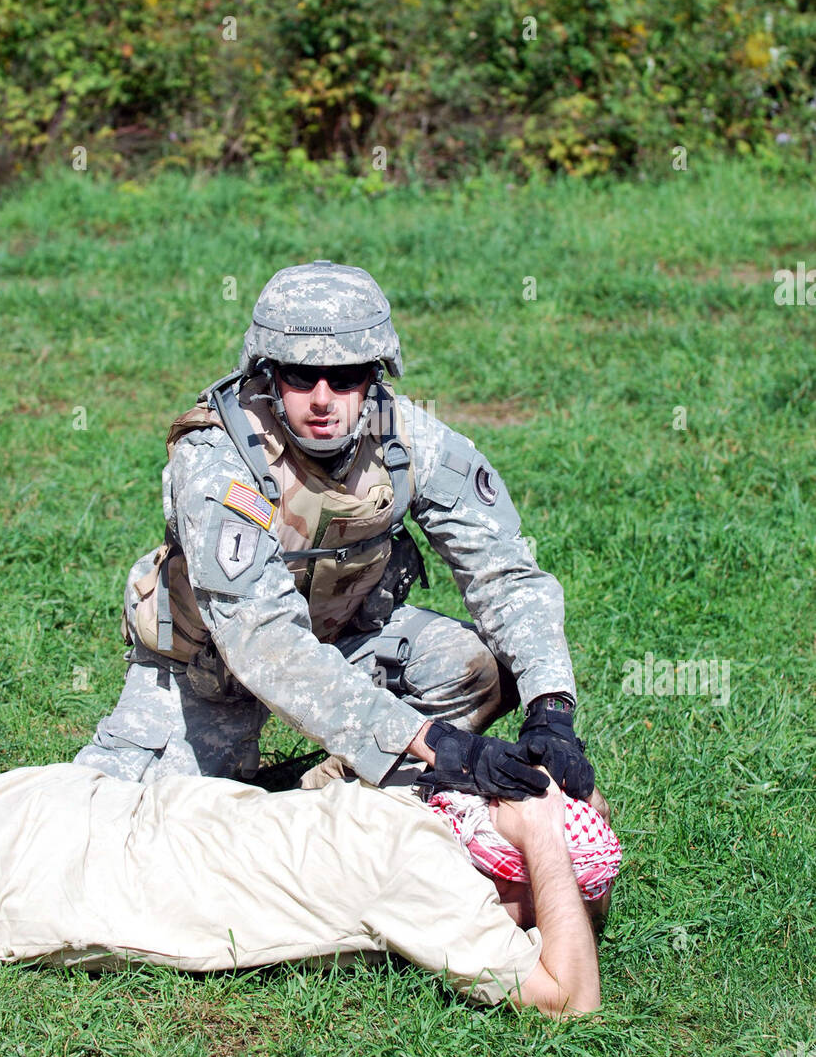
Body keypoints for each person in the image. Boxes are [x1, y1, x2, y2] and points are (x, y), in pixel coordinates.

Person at [74, 260, 593, 804]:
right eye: (301, 375)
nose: (323, 398)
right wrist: (435, 744)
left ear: (375, 375)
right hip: (212, 671)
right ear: (267, 372)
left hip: (343, 641)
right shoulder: (217, 455)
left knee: (474, 667)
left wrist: (550, 707)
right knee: (125, 818)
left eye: (345, 377)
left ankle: (331, 797)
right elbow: (262, 638)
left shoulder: (406, 438)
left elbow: (503, 571)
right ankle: (350, 774)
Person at [0, 755, 602, 1017]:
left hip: (75, 799)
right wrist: (546, 839)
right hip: (38, 870)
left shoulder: (415, 805)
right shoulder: (428, 874)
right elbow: (568, 1000)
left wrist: (542, 819)